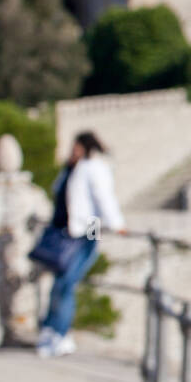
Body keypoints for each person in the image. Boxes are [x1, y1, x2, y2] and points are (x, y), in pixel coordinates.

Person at [37, 131, 126, 358]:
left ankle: (58, 332)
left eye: (76, 147)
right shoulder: (74, 169)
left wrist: (116, 224)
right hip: (70, 232)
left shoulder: (93, 168)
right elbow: (59, 193)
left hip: (86, 231)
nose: (72, 152)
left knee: (66, 282)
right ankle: (54, 331)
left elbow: (103, 198)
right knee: (63, 283)